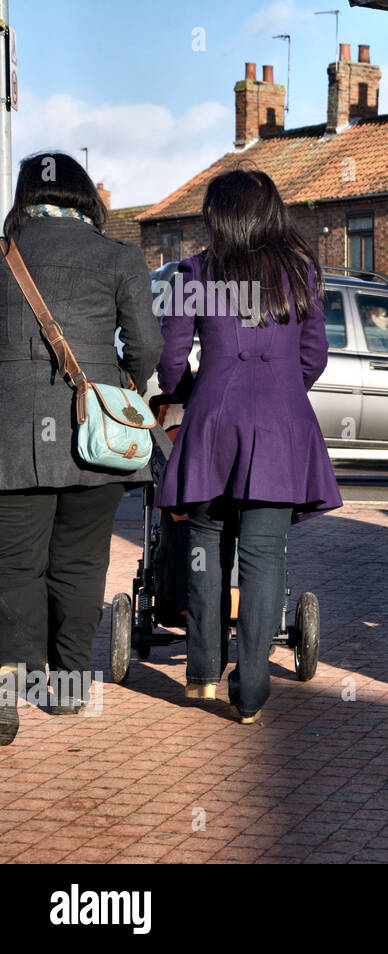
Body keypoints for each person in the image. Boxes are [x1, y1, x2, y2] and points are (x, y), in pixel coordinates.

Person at [155, 169, 341, 725]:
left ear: (218, 215)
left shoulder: (193, 273)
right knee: (264, 558)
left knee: (204, 543)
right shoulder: (301, 271)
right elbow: (316, 357)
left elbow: (169, 364)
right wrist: (280, 393)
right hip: (283, 426)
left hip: (212, 421)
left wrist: (201, 393)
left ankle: (204, 673)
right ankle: (253, 689)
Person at [0, 152, 163, 742]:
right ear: (84, 197)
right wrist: (119, 382)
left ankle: (6, 683)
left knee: (14, 563)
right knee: (80, 563)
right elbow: (147, 346)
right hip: (95, 440)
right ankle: (67, 689)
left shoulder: (4, 254)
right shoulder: (118, 256)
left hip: (10, 438)